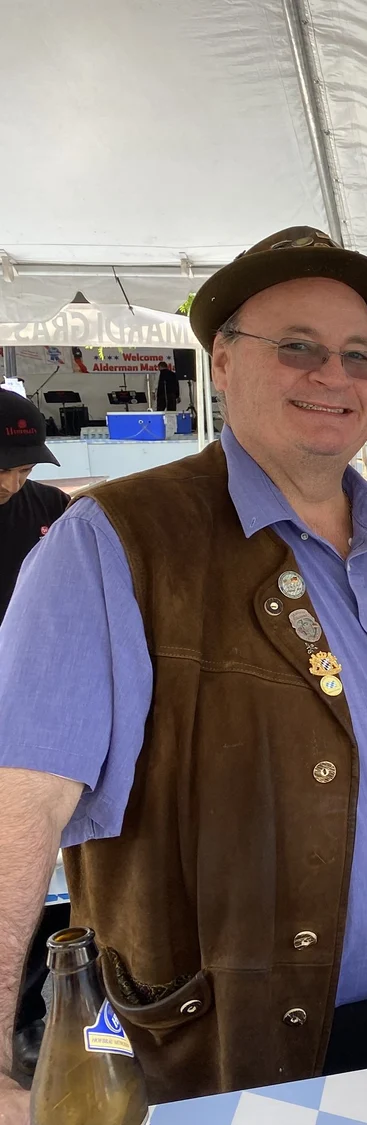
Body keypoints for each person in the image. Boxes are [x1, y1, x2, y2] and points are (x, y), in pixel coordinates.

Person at [0, 227, 367, 1111]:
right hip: (233, 1044)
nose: (335, 377)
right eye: (298, 347)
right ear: (222, 361)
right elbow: (14, 812)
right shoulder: (116, 544)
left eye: (359, 356)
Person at [0, 392, 69, 1084]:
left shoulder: (52, 511)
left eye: (22, 465)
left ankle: (43, 1011)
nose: (12, 479)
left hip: (41, 722)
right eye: (3, 465)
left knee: (48, 883)